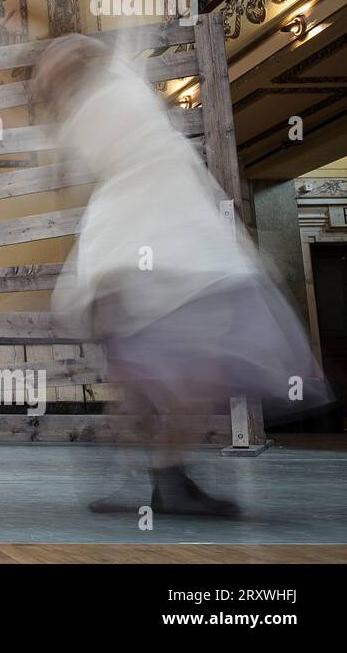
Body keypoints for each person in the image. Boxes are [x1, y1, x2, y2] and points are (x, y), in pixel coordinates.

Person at [32, 33, 329, 516]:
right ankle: (154, 474)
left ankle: (158, 475)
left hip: (169, 227)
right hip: (138, 235)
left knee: (177, 372)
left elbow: (111, 53)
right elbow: (69, 174)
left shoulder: (113, 87)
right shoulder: (86, 115)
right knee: (149, 375)